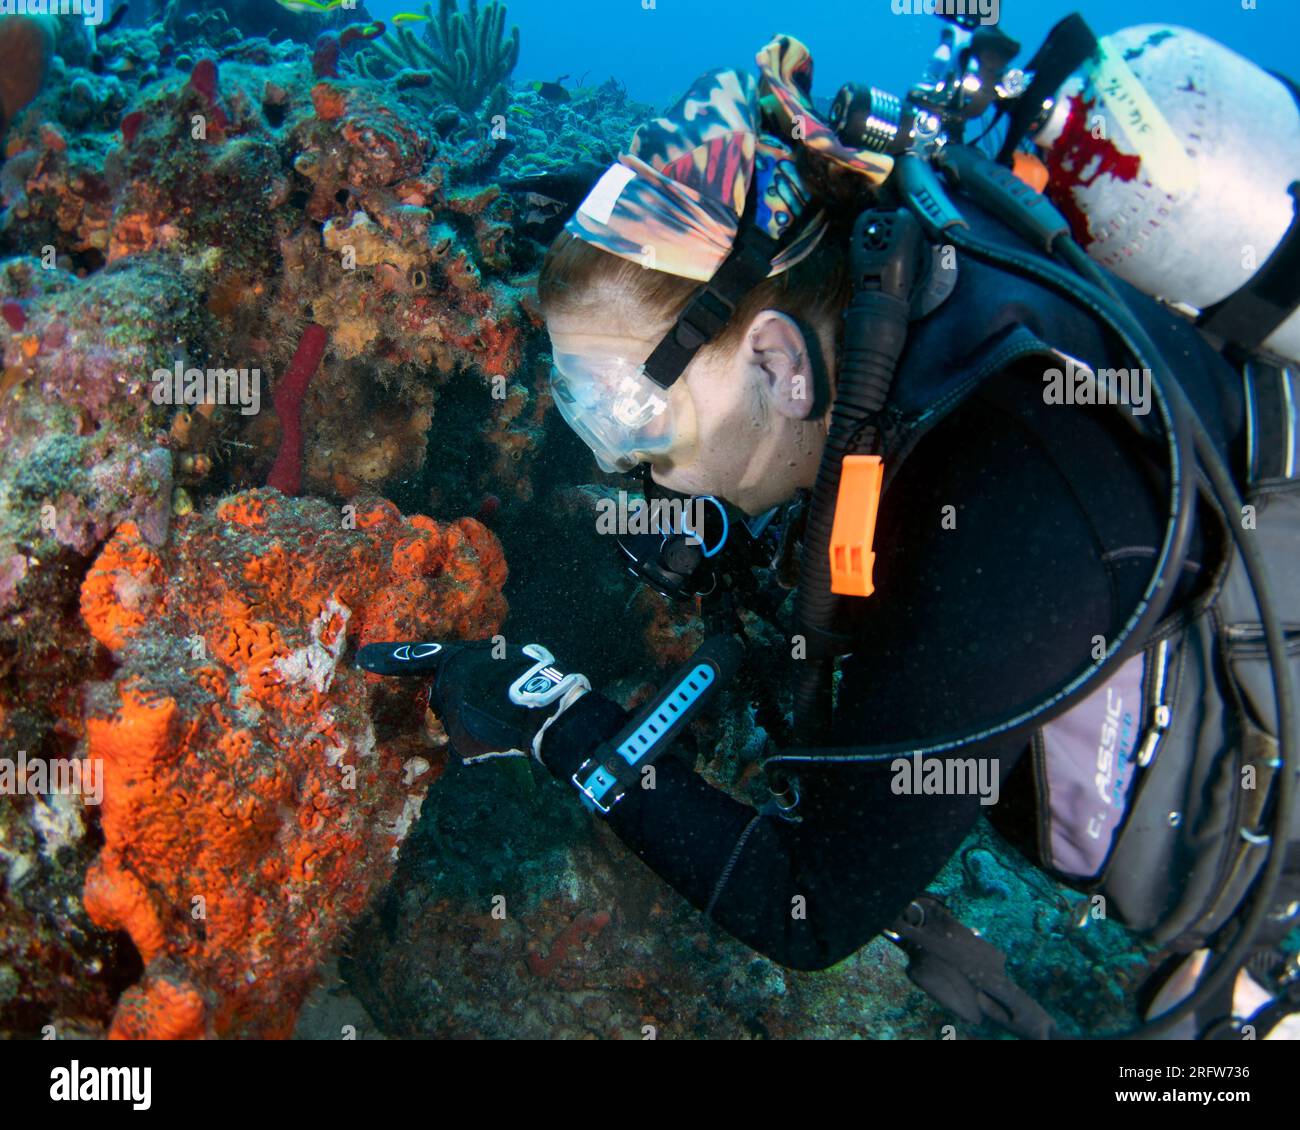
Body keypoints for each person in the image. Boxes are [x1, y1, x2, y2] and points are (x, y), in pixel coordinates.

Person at [360, 32, 1300, 1038]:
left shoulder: (1017, 486)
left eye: (629, 408)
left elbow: (808, 903)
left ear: (780, 362)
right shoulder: (908, 333)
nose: (611, 456)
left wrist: (552, 714)